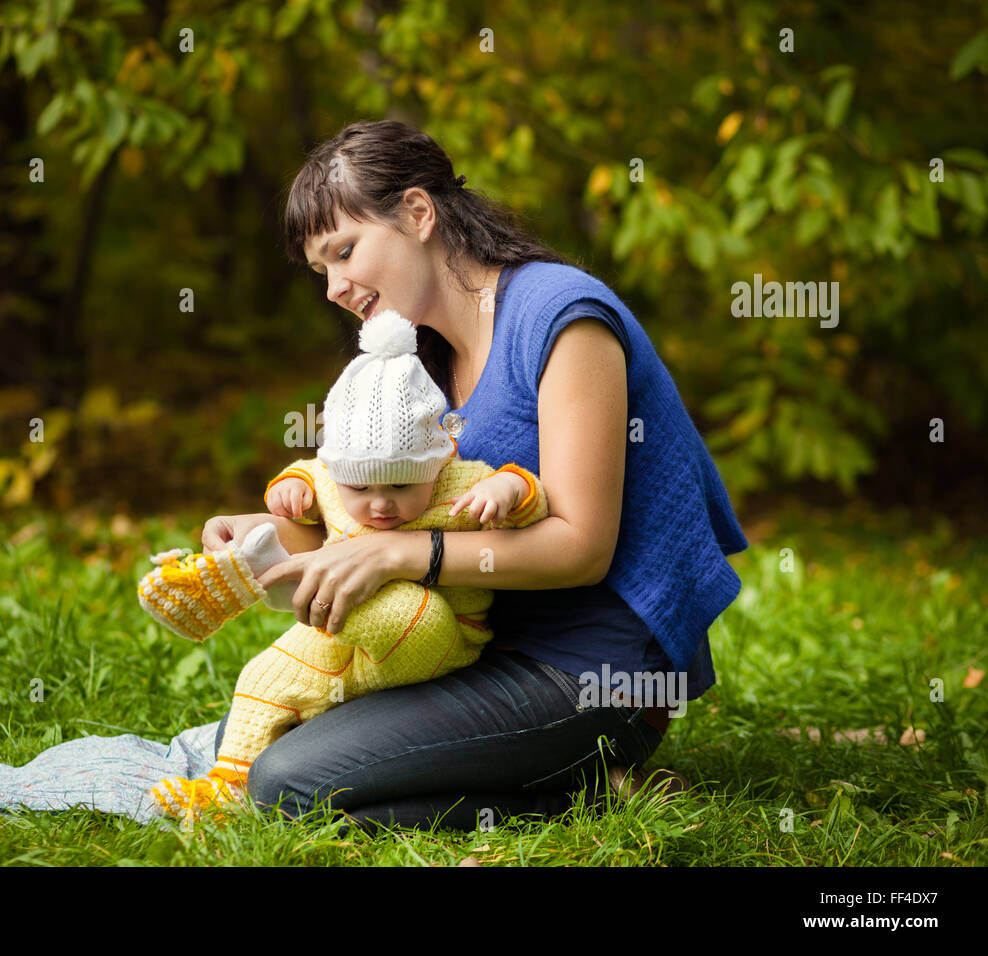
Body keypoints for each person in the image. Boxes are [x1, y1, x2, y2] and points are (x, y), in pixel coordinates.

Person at [197, 120, 748, 832]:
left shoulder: (559, 317)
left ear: (419, 214)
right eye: (319, 271)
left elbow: (582, 547)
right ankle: (556, 781)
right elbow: (385, 519)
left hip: (591, 677)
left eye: (344, 251)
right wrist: (269, 537)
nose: (334, 287)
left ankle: (597, 785)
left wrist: (405, 555)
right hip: (471, 650)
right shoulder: (417, 364)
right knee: (257, 737)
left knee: (286, 785)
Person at [138, 310, 548, 820]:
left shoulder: (460, 486)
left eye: (400, 486)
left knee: (406, 605)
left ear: (438, 464)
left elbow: (535, 503)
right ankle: (227, 789)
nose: (380, 505)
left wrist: (509, 489)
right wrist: (291, 488)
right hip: (340, 641)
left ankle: (266, 583)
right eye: (361, 488)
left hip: (435, 640)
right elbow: (307, 476)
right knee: (263, 676)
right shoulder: (330, 479)